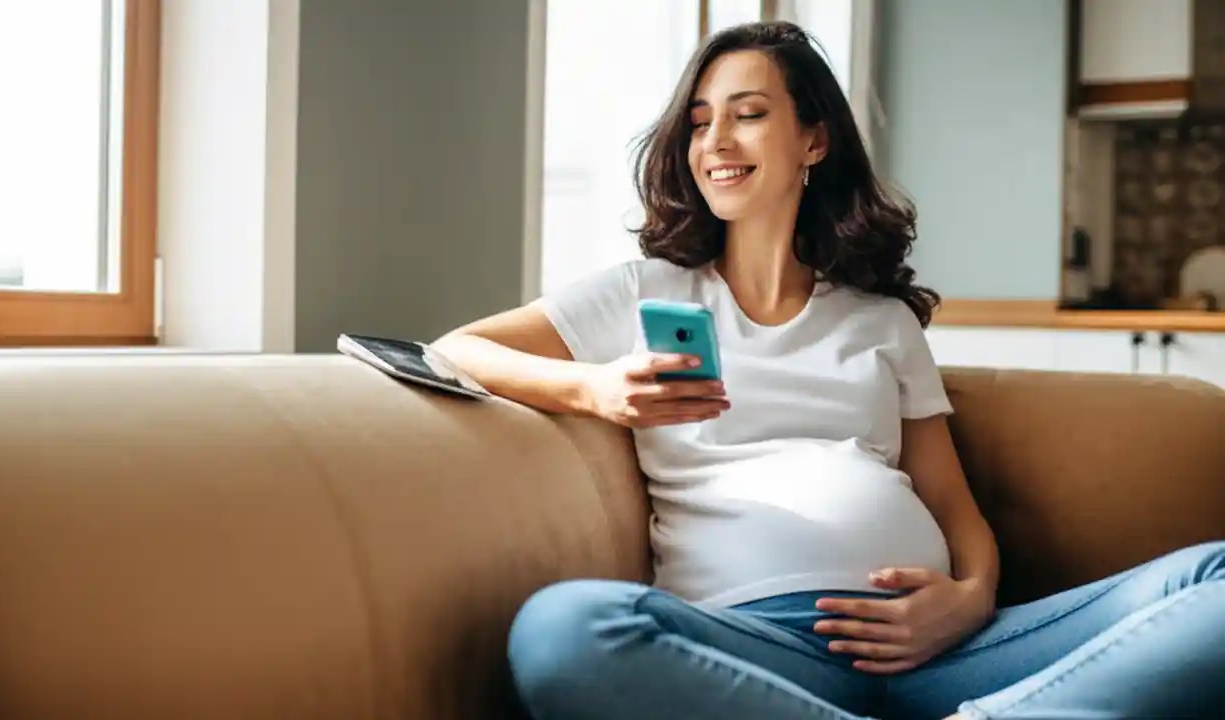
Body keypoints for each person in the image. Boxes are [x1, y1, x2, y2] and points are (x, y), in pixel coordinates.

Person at [431, 21, 1224, 720]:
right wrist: (596, 389)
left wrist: (969, 598)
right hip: (757, 646)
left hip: (943, 648)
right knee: (565, 630)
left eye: (748, 115)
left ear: (814, 140)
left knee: (1214, 577)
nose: (715, 143)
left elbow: (954, 506)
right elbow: (458, 348)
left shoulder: (881, 320)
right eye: (700, 121)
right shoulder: (646, 290)